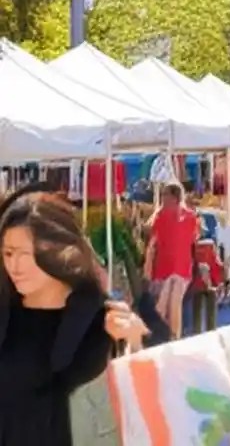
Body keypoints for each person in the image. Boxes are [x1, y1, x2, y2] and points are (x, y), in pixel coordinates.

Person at [0, 185, 150, 446]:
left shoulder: (102, 318)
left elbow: (144, 394)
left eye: (25, 254)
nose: (14, 266)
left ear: (58, 251)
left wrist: (135, 342)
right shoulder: (6, 313)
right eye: (8, 253)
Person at [145, 182, 200, 338]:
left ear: (173, 197)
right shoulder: (190, 216)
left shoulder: (160, 216)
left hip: (166, 265)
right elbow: (194, 238)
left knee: (163, 305)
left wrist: (147, 268)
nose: (162, 198)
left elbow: (152, 243)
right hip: (182, 265)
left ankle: (160, 337)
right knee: (174, 303)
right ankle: (173, 337)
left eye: (164, 195)